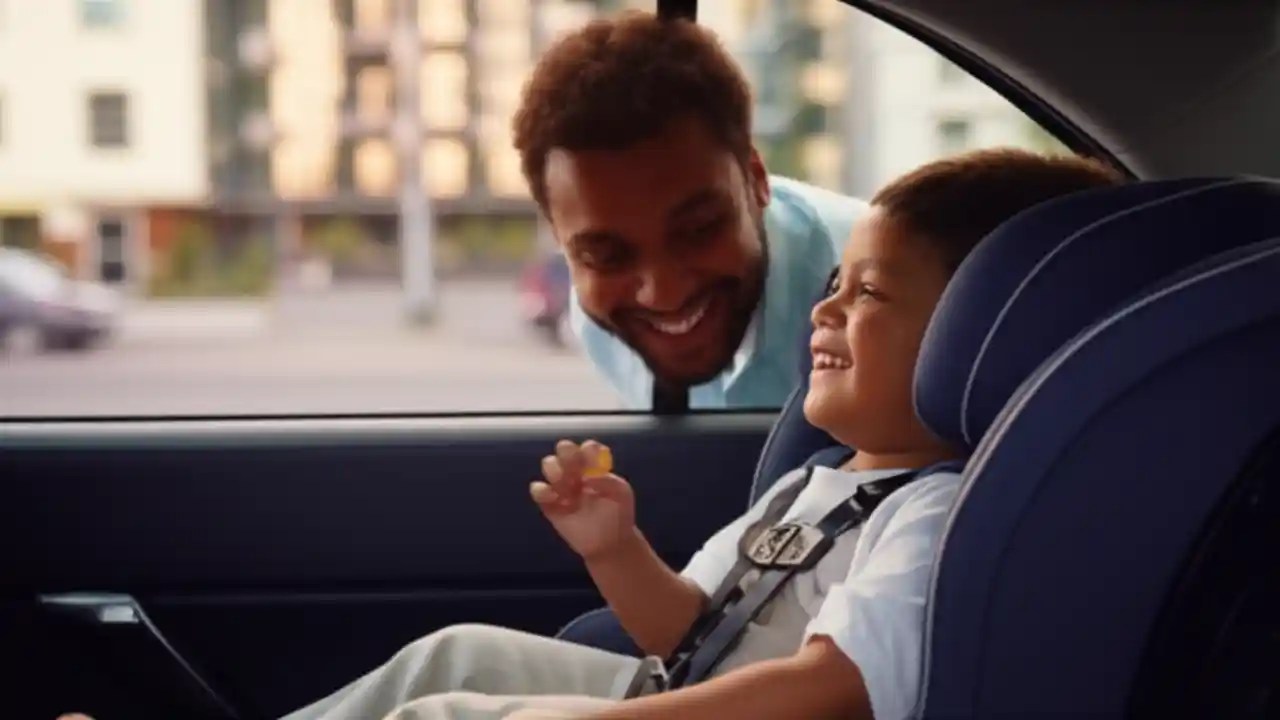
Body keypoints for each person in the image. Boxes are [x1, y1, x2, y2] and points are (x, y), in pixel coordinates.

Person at [278, 148, 1122, 720]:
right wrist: (616, 550)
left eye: (870, 293)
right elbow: (686, 637)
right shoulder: (810, 483)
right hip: (683, 693)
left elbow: (835, 687)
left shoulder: (939, 516)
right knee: (451, 658)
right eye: (835, 281)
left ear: (981, 340)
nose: (826, 307)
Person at [512, 12, 867, 411]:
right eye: (606, 256)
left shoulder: (887, 292)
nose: (664, 294)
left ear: (757, 180)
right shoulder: (602, 327)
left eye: (699, 230)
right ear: (561, 241)